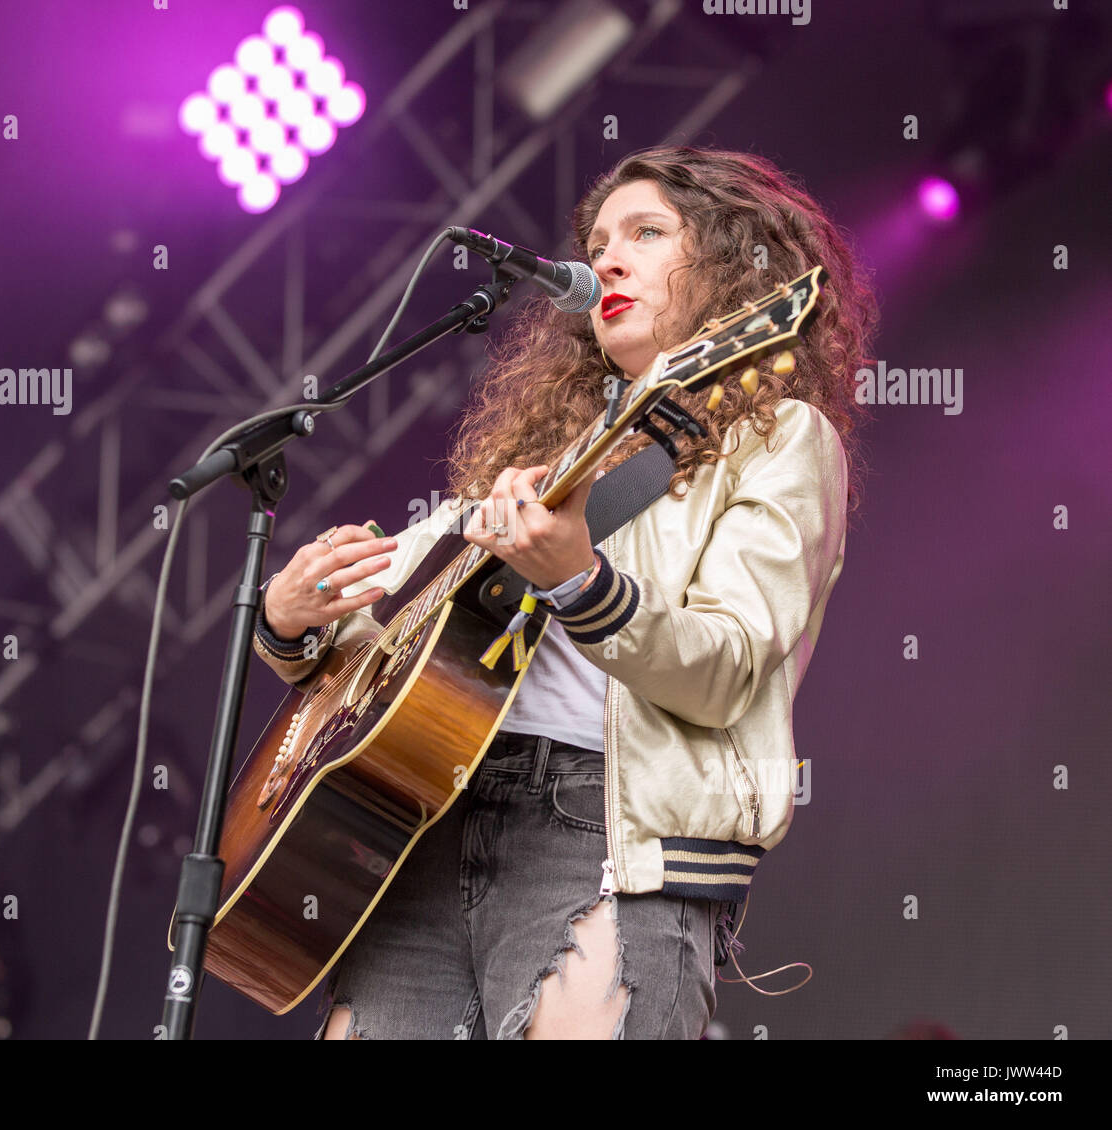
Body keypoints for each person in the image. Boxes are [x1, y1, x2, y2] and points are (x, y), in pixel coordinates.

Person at [252, 145, 878, 1039]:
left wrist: (581, 581)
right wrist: (293, 622)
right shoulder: (545, 458)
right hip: (424, 825)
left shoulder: (780, 434)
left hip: (602, 830)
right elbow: (387, 636)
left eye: (647, 233)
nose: (606, 260)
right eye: (597, 241)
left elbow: (728, 668)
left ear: (742, 263)